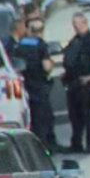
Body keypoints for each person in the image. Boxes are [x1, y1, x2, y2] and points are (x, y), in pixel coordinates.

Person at [62, 13, 90, 153]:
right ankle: (76, 143)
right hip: (73, 83)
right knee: (75, 115)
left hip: (87, 84)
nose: (75, 26)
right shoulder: (74, 40)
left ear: (84, 23)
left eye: (77, 23)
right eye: (73, 23)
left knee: (89, 115)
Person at [22, 18, 61, 151]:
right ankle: (45, 146)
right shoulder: (41, 45)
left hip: (25, 85)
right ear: (41, 31)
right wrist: (52, 64)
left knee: (31, 118)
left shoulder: (21, 44)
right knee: (44, 117)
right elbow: (46, 66)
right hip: (39, 85)